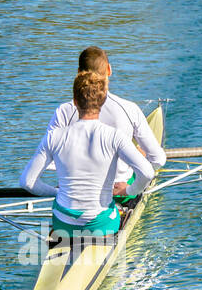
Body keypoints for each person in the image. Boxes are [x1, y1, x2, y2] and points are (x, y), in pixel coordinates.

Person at [20, 70, 154, 237]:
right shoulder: (114, 137)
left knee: (62, 211)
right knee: (114, 211)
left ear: (75, 102)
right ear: (103, 101)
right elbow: (148, 172)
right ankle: (116, 215)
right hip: (100, 224)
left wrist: (57, 192)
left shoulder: (53, 137)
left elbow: (27, 182)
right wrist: (128, 191)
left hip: (63, 223)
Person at [44, 47, 165, 203]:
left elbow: (49, 161)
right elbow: (158, 159)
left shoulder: (63, 111)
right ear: (109, 69)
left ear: (79, 72)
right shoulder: (129, 109)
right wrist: (139, 162)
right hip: (118, 193)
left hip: (73, 197)